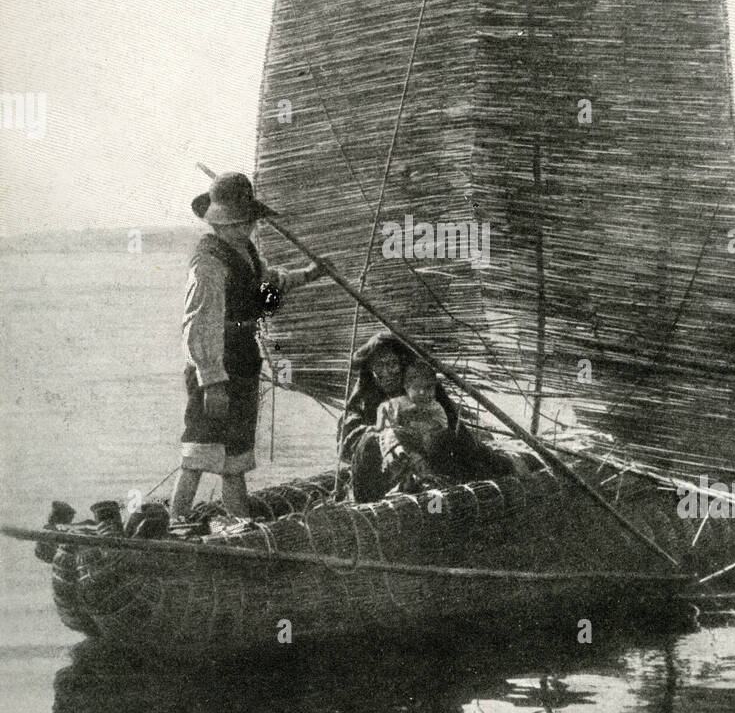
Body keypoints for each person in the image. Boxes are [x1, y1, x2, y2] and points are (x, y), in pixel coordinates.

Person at [169, 172, 328, 526]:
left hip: (243, 355)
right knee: (200, 449)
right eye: (235, 223)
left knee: (236, 453)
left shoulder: (248, 254)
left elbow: (265, 294)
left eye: (248, 222)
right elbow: (199, 322)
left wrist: (309, 274)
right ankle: (176, 521)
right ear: (217, 223)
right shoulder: (208, 261)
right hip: (216, 358)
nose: (244, 229)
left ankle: (241, 524)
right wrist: (212, 381)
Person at [338, 329, 514, 501]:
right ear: (370, 368)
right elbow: (348, 442)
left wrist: (496, 462)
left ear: (402, 364)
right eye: (379, 366)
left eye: (392, 364)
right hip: (380, 479)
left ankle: (432, 498)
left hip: (430, 473)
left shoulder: (423, 391)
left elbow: (456, 430)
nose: (386, 373)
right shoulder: (364, 396)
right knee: (377, 439)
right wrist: (386, 438)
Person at [375, 360, 450, 489]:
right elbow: (384, 413)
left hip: (428, 444)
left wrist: (422, 416)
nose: (422, 393)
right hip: (406, 445)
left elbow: (442, 427)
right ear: (406, 386)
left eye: (428, 388)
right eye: (417, 388)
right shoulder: (399, 403)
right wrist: (384, 415)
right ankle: (402, 464)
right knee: (390, 434)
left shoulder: (435, 407)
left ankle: (426, 478)